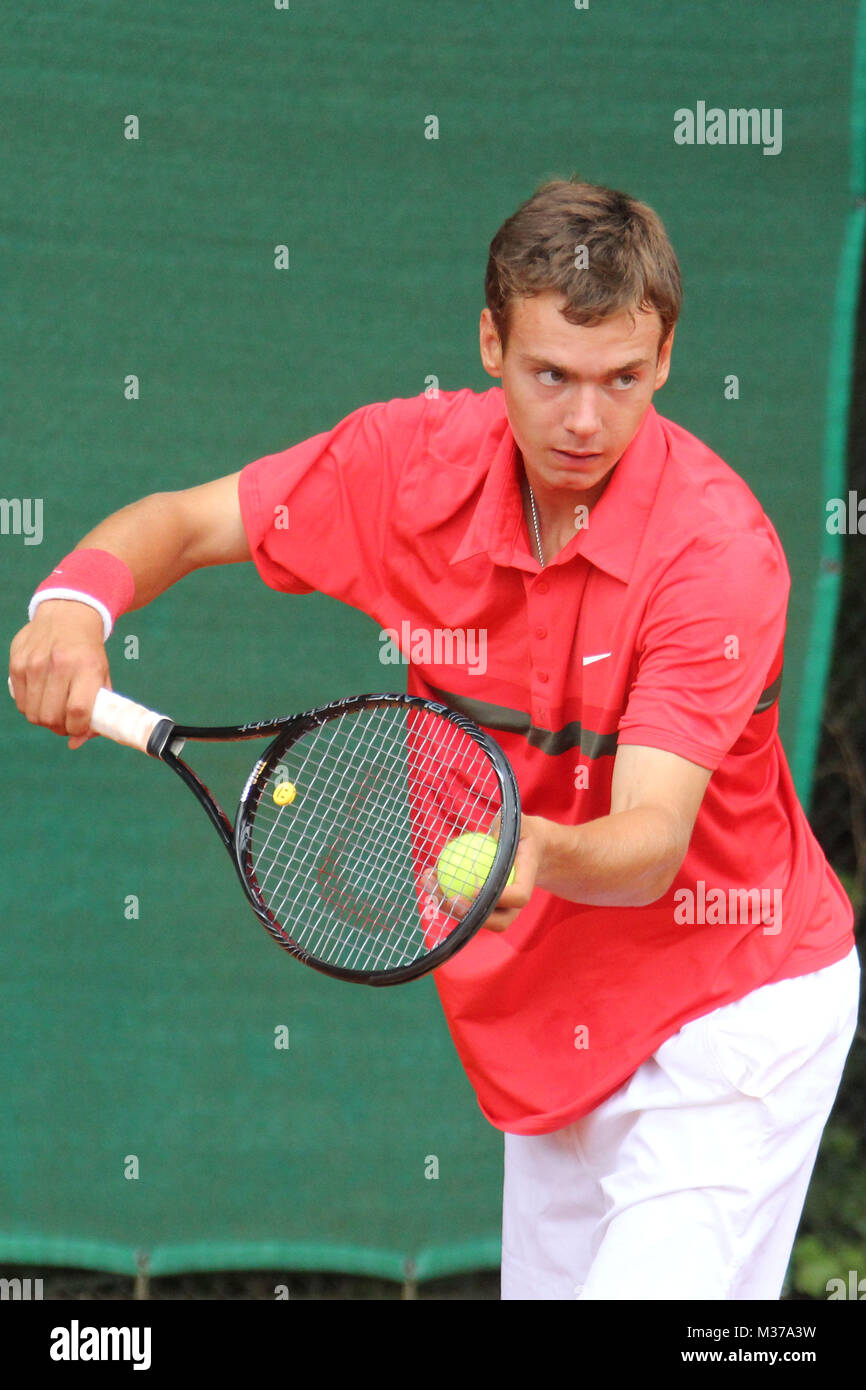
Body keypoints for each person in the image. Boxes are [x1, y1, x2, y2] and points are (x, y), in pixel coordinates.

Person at [9, 178, 859, 1301]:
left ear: (661, 363)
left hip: (727, 1008)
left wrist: (536, 854)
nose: (581, 422)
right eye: (549, 374)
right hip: (549, 1024)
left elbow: (650, 839)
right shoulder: (408, 471)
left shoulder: (713, 558)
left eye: (618, 382)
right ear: (489, 342)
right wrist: (72, 603)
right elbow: (186, 520)